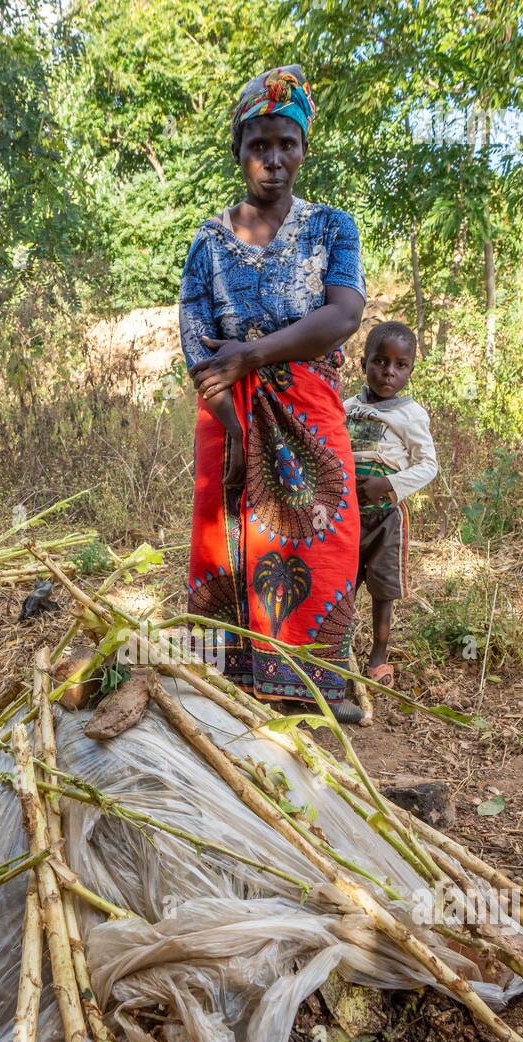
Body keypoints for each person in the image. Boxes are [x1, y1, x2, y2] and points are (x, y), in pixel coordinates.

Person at [179, 65, 366, 722]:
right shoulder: (209, 240)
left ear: (304, 149)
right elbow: (198, 340)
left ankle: (316, 685)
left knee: (321, 534)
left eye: (287, 143)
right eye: (259, 145)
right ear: (239, 152)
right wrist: (234, 427)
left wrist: (254, 354)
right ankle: (232, 684)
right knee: (229, 537)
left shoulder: (332, 229)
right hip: (227, 406)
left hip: (306, 407)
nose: (274, 160)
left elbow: (343, 316)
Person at [344, 321, 438, 687]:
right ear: (363, 363)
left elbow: (428, 465)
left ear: (411, 370)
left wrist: (387, 484)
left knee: (383, 590)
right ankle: (337, 647)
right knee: (342, 582)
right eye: (380, 362)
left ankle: (379, 654)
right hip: (347, 515)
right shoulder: (346, 407)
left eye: (401, 365)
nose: (389, 372)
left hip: (386, 518)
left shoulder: (410, 414)